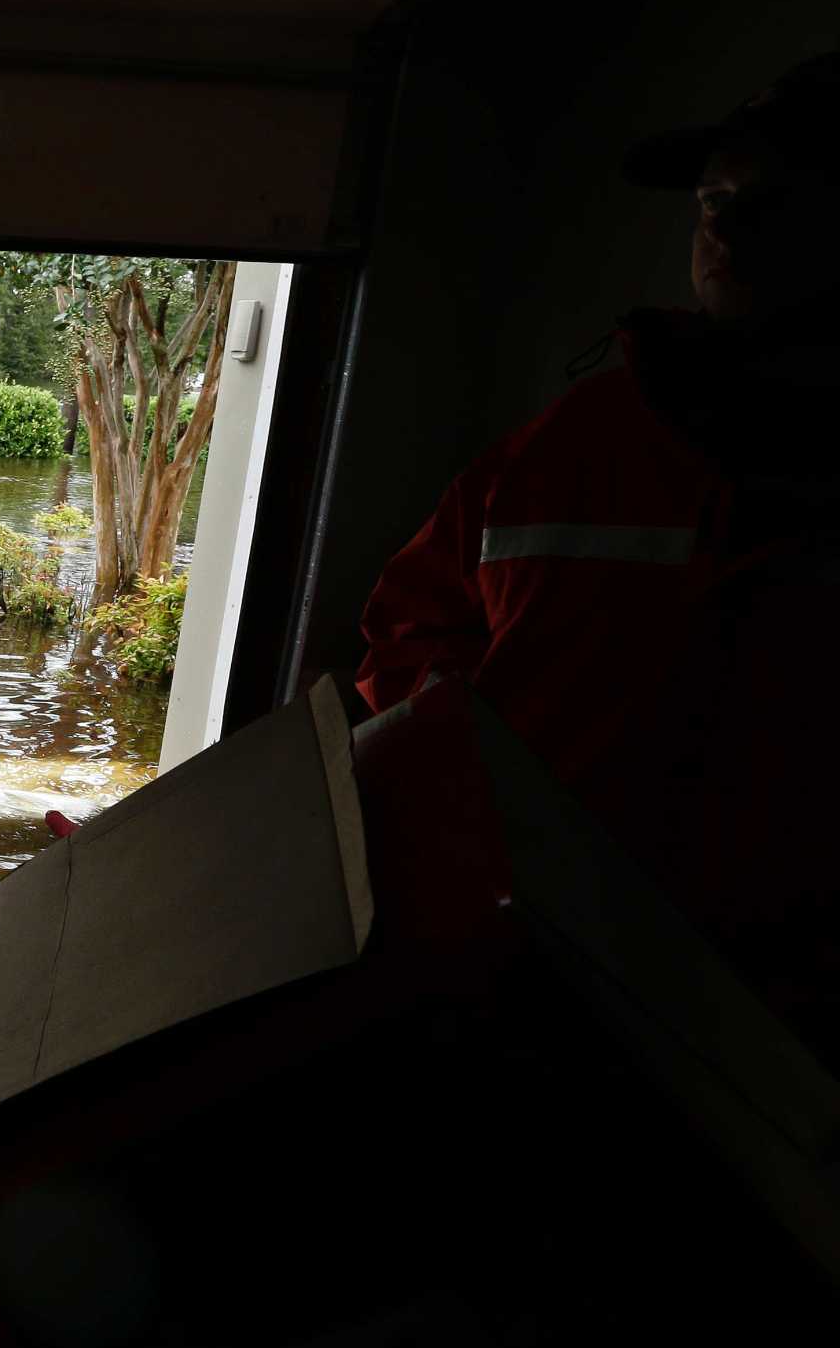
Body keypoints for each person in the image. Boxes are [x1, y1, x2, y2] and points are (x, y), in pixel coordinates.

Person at [356, 53, 840, 1038]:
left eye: (776, 199)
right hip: (513, 966)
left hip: (779, 1031)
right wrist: (469, 805)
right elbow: (409, 627)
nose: (725, 222)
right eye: (715, 195)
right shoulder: (576, 437)